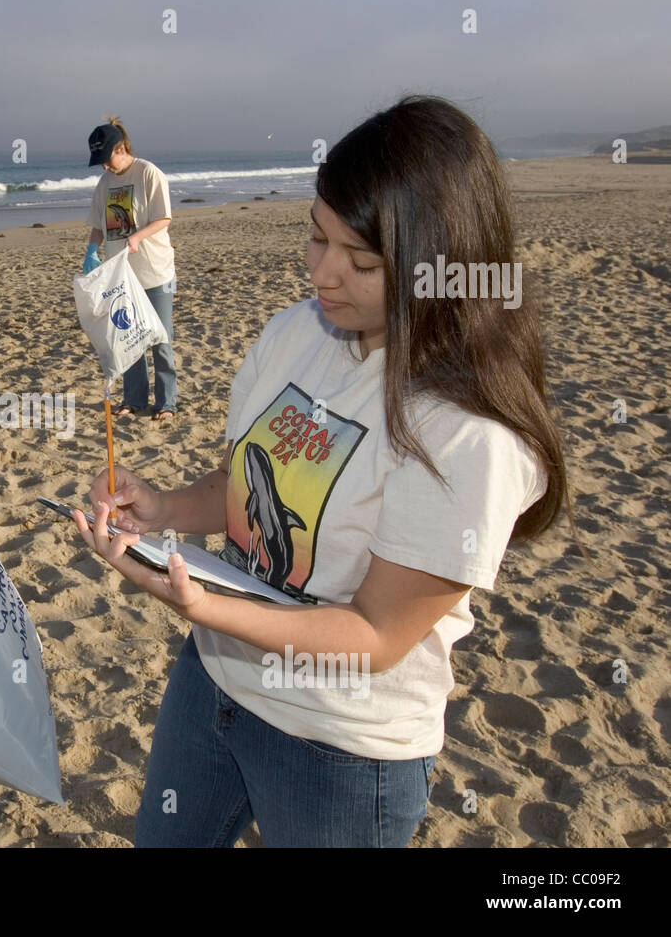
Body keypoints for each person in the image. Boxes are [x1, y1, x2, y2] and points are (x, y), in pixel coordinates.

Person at [70, 96, 571, 847]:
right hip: (215, 689)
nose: (323, 273)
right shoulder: (297, 331)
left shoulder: (466, 430)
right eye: (317, 237)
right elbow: (248, 481)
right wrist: (164, 509)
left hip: (341, 747)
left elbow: (376, 634)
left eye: (361, 260)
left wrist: (204, 606)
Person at [83, 118, 178, 421]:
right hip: (121, 276)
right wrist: (90, 250)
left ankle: (167, 403)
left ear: (121, 148)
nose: (104, 168)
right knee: (130, 340)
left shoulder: (148, 173)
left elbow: (164, 218)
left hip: (154, 271)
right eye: (99, 162)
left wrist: (137, 236)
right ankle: (134, 400)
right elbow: (99, 225)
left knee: (160, 338)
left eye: (106, 159)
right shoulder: (104, 183)